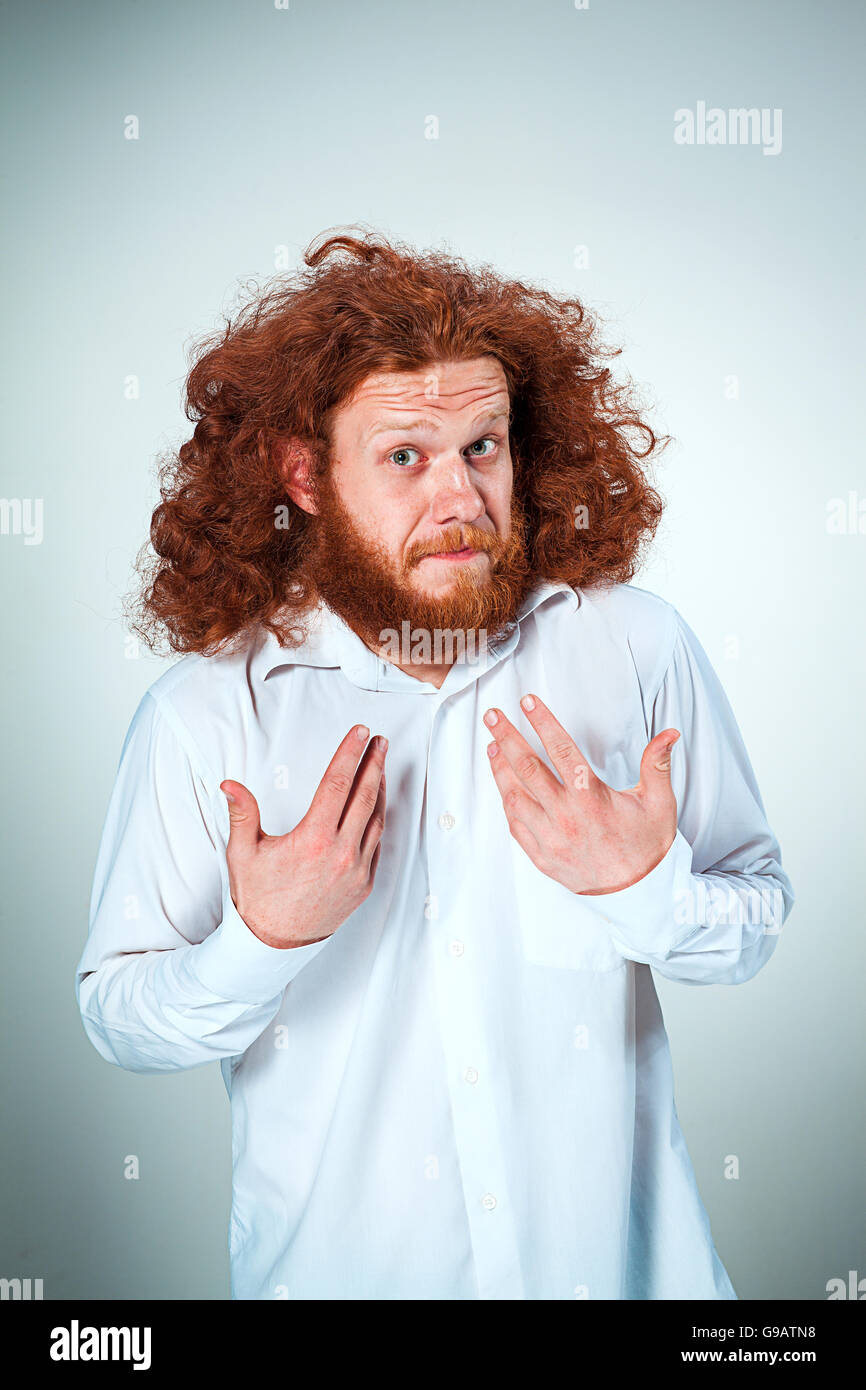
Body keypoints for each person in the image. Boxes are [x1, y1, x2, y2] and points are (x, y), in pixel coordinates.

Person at [75, 229, 794, 1300]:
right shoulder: (205, 715)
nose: (457, 498)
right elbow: (117, 1017)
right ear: (305, 475)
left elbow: (755, 919)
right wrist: (258, 939)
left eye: (481, 447)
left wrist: (643, 890)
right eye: (405, 456)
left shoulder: (633, 646)